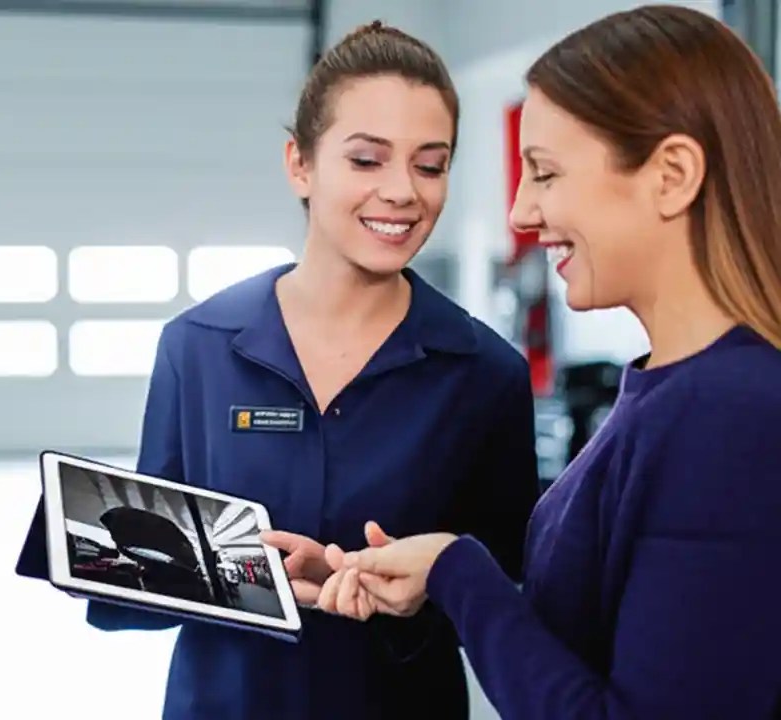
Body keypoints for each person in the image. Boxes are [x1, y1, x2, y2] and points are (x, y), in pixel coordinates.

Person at [264, 6, 781, 719]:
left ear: (672, 175)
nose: (519, 212)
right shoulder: (672, 393)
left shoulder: (729, 415)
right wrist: (439, 576)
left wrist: (459, 570)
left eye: (543, 172)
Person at [83, 20, 543, 720]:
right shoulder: (198, 347)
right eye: (367, 160)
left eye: (429, 163)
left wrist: (404, 595)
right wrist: (96, 545)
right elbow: (134, 583)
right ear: (299, 163)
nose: (402, 192)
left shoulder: (485, 374)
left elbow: (506, 600)